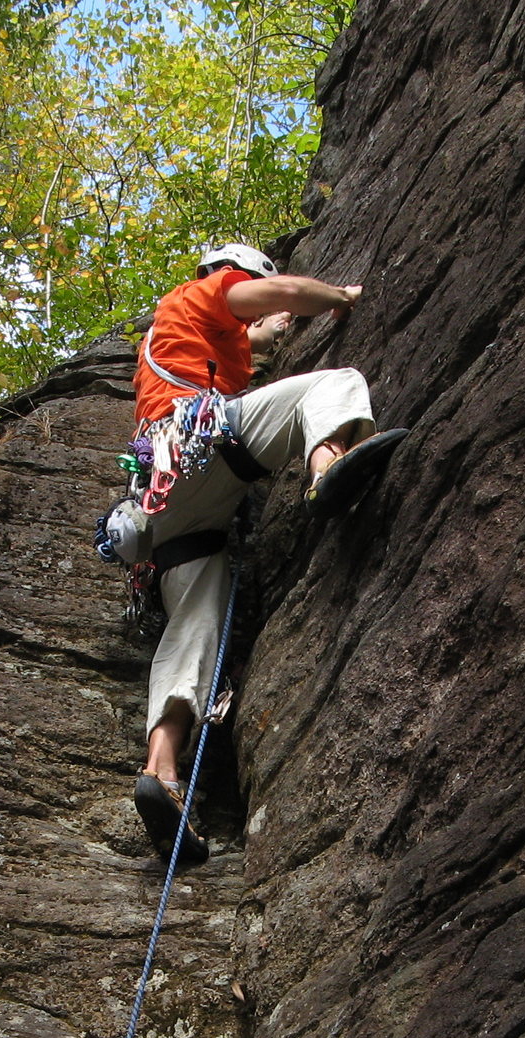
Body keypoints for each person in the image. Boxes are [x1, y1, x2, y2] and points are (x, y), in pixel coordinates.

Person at [128, 242, 407, 864]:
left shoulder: (181, 341)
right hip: (203, 446)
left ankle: (163, 773)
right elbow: (276, 297)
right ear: (235, 277)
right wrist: (337, 298)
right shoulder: (200, 292)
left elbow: (248, 336)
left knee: (193, 629)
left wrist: (266, 333)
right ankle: (327, 469)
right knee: (335, 384)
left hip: (162, 509)